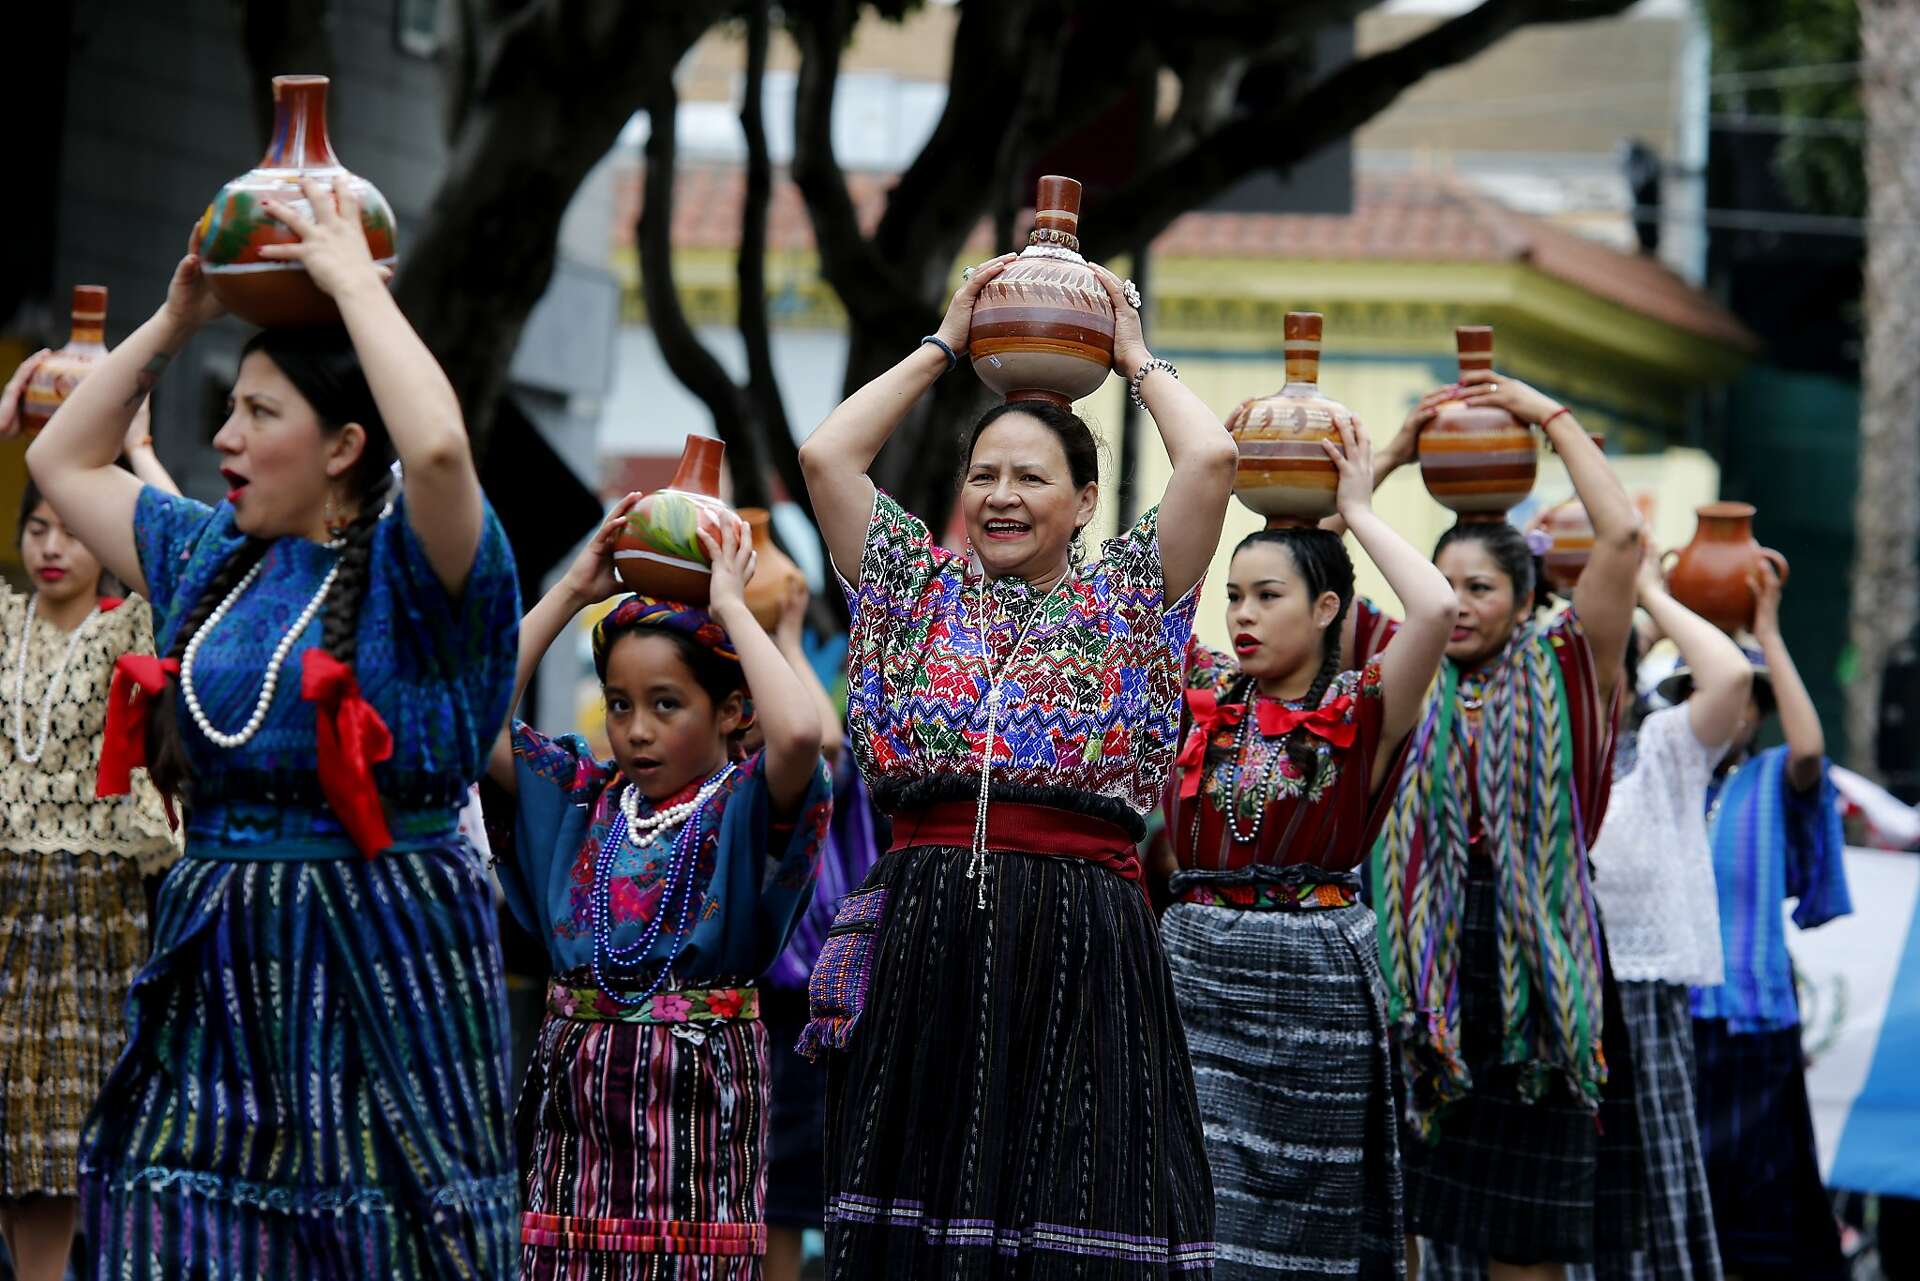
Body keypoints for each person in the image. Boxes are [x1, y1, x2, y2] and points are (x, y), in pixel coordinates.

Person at [26, 178, 522, 1279]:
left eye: (259, 413)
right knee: (183, 1232)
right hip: (219, 964)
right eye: (231, 409)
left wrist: (353, 285)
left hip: (380, 960)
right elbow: (59, 461)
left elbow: (440, 453)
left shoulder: (422, 571)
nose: (224, 436)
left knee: (380, 1240)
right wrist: (179, 316)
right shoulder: (208, 554)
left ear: (343, 444)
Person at [797, 253, 1238, 1276]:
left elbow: (1212, 459)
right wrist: (947, 342)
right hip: (925, 925)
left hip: (1084, 931)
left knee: (1077, 1196)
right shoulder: (913, 588)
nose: (1001, 497)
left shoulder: (1129, 596)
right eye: (983, 476)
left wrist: (1133, 356)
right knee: (917, 1209)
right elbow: (827, 457)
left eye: (1031, 478)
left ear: (1085, 501)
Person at [485, 500, 831, 1280]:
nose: (636, 728)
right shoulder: (581, 797)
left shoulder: (743, 805)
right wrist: (573, 591)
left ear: (732, 710)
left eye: (665, 703)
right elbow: (474, 717)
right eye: (620, 703)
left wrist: (732, 605)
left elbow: (801, 734)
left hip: (700, 1106)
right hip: (576, 1109)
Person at [1362, 373, 1645, 1281]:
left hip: (1542, 977)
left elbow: (1623, 537)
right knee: (1396, 1216)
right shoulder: (1398, 667)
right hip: (1421, 970)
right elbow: (1306, 555)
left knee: (1524, 1241)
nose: (1459, 604)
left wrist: (1544, 415)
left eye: (1480, 587)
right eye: (1442, 587)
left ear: (1526, 601)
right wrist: (1395, 454)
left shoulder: (1573, 664)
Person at [1160, 408, 1453, 1280]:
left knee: (1303, 1218)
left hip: (1313, 979)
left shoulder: (1360, 711)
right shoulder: (1204, 686)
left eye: (1268, 596)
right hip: (1192, 967)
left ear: (1328, 608)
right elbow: (1155, 584)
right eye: (1234, 597)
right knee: (1187, 1207)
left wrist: (1358, 508)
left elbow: (1435, 605)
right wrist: (1210, 467)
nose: (1242, 615)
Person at [0, 377, 181, 1280]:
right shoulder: (2, 624)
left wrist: (137, 451)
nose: (53, 544)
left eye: (72, 527)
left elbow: (205, 570)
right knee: (11, 1134)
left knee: (64, 1136)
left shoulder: (130, 626)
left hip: (94, 903)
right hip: (5, 895)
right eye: (38, 526)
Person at [1577, 549, 1753, 1281]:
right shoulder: (1538, 743)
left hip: (1642, 997)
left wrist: (1648, 591)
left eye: (1606, 657)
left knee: (1651, 1180)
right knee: (1562, 1195)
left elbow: (1732, 677)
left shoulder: (1664, 746)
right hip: (1557, 994)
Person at [1682, 563, 1851, 1281]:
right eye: (1706, 692)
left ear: (1758, 710)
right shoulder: (1668, 776)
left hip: (1754, 1019)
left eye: (1740, 698)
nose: (1724, 709)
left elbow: (1811, 749)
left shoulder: (1776, 776)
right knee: (1686, 1192)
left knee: (1764, 1200)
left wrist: (1768, 634)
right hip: (1678, 1014)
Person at [754, 580, 883, 1281]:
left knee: (820, 1183)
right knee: (780, 1189)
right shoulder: (751, 771)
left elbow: (822, 738)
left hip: (829, 993)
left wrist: (786, 635)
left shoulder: (843, 772)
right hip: (778, 999)